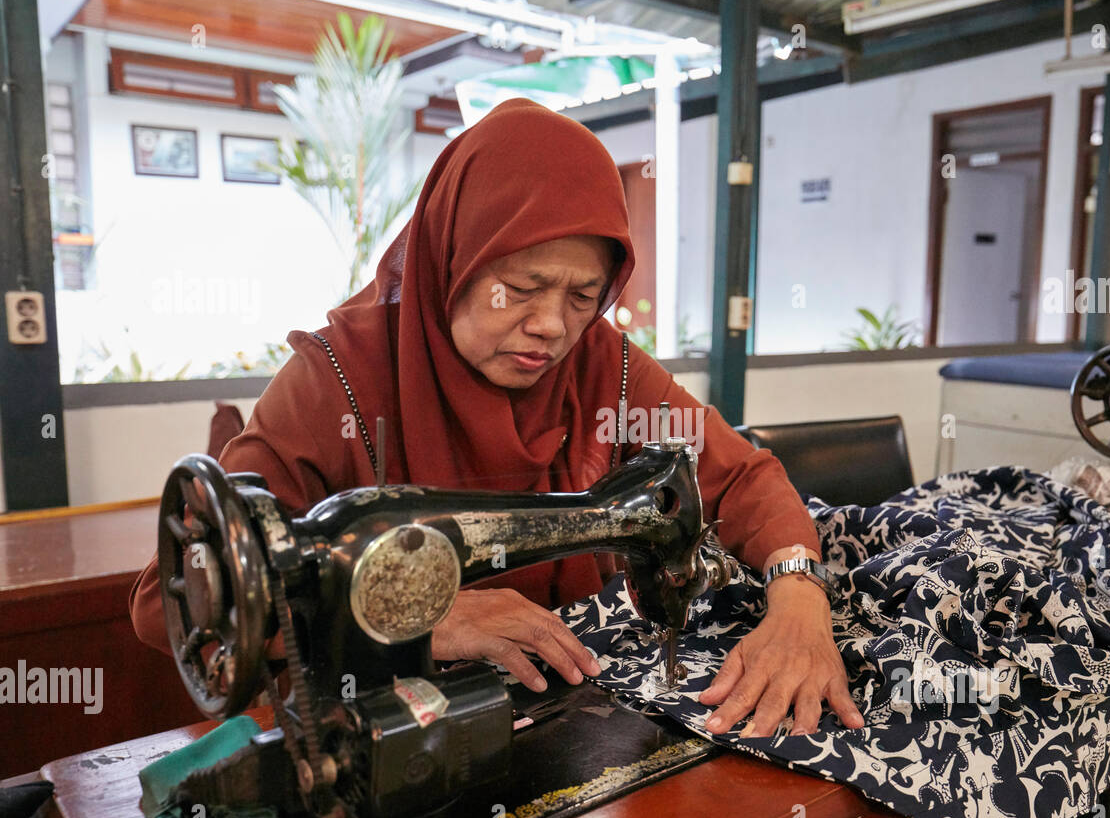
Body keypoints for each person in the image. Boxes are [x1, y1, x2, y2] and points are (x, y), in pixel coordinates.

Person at [129, 98, 864, 739]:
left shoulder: (605, 367)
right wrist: (412, 616)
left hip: (559, 704)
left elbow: (738, 475)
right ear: (453, 253)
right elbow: (172, 601)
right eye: (521, 288)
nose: (552, 325)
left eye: (584, 296)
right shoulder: (338, 382)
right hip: (385, 729)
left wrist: (799, 594)